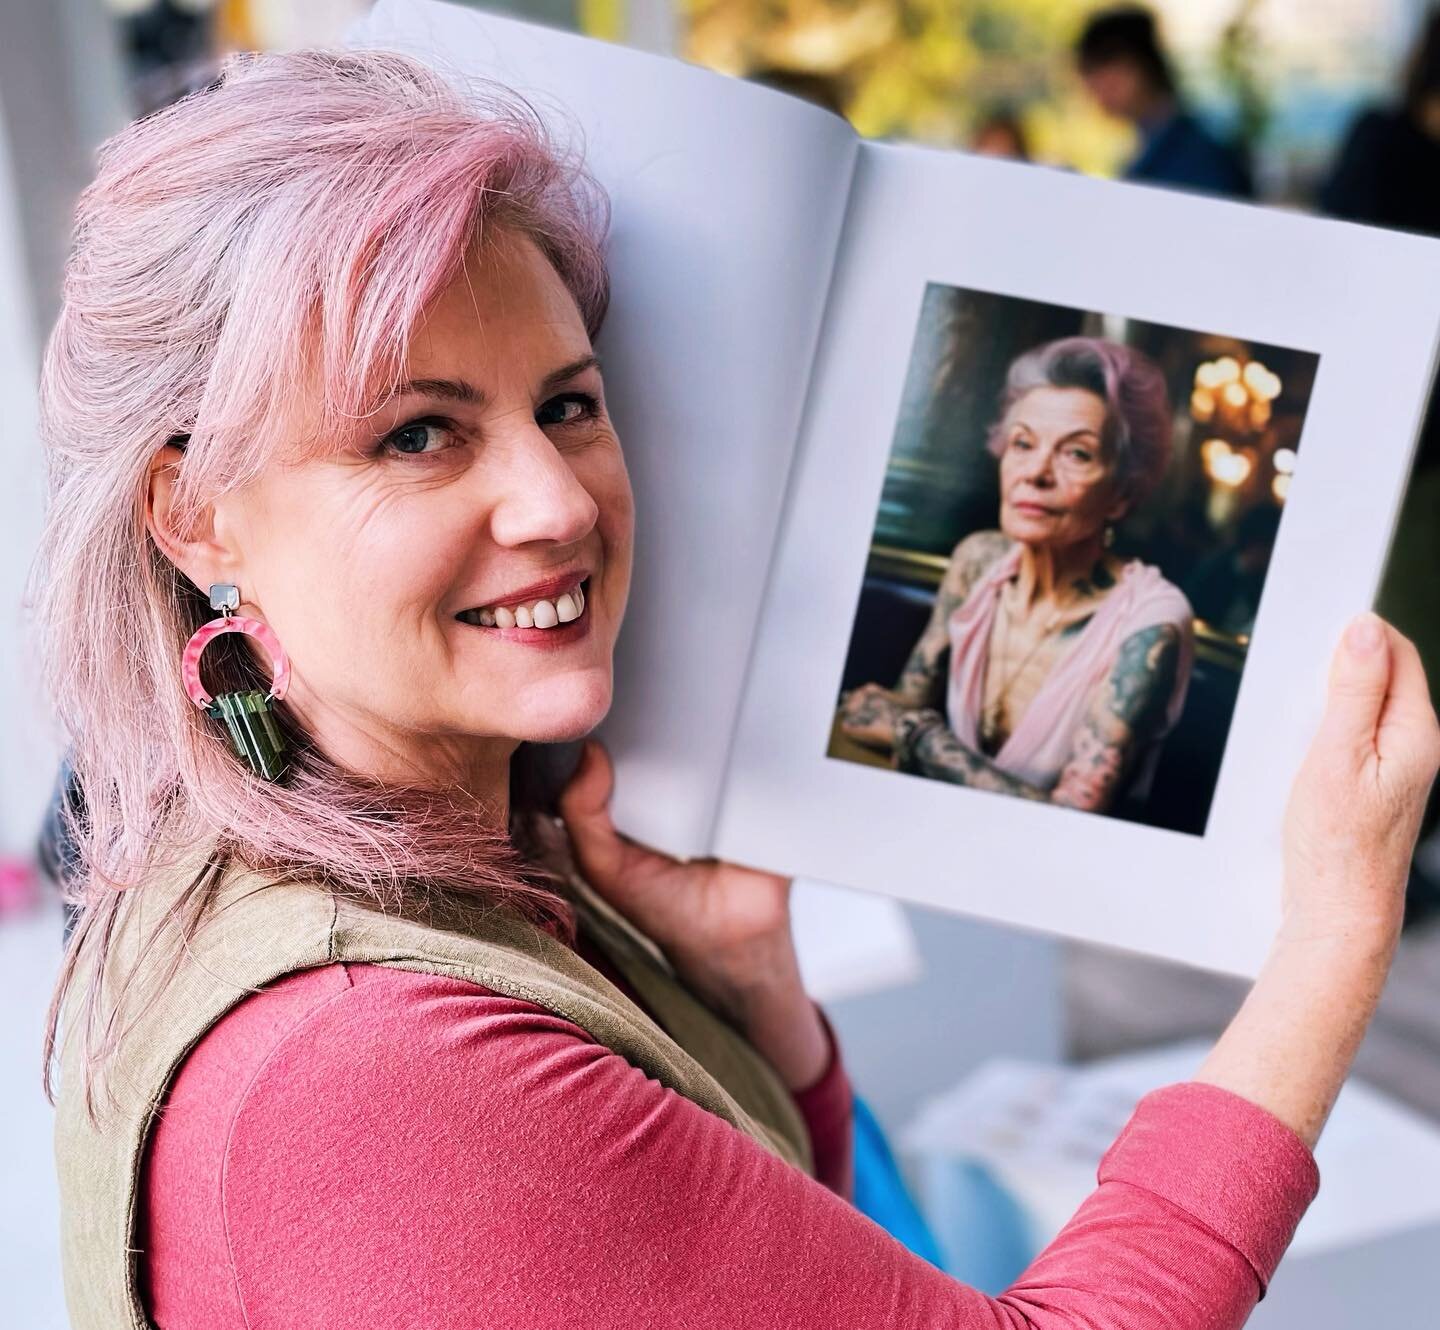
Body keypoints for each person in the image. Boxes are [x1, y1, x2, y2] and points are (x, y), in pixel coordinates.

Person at [37, 47, 1440, 1330]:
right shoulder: (367, 1059)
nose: (552, 501)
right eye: (417, 434)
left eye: (568, 404)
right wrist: (1328, 947)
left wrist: (749, 1004)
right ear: (195, 513)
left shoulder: (383, 865)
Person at [840, 336, 1193, 815]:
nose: (1036, 472)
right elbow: (894, 707)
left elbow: (1068, 818)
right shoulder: (978, 562)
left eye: (1077, 454)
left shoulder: (1150, 627)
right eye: (1023, 444)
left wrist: (918, 738)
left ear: (1122, 495)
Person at [1075, 6, 1254, 199]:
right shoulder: (1153, 147)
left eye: (1097, 68)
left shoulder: (1200, 156)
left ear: (1137, 67)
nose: (1092, 87)